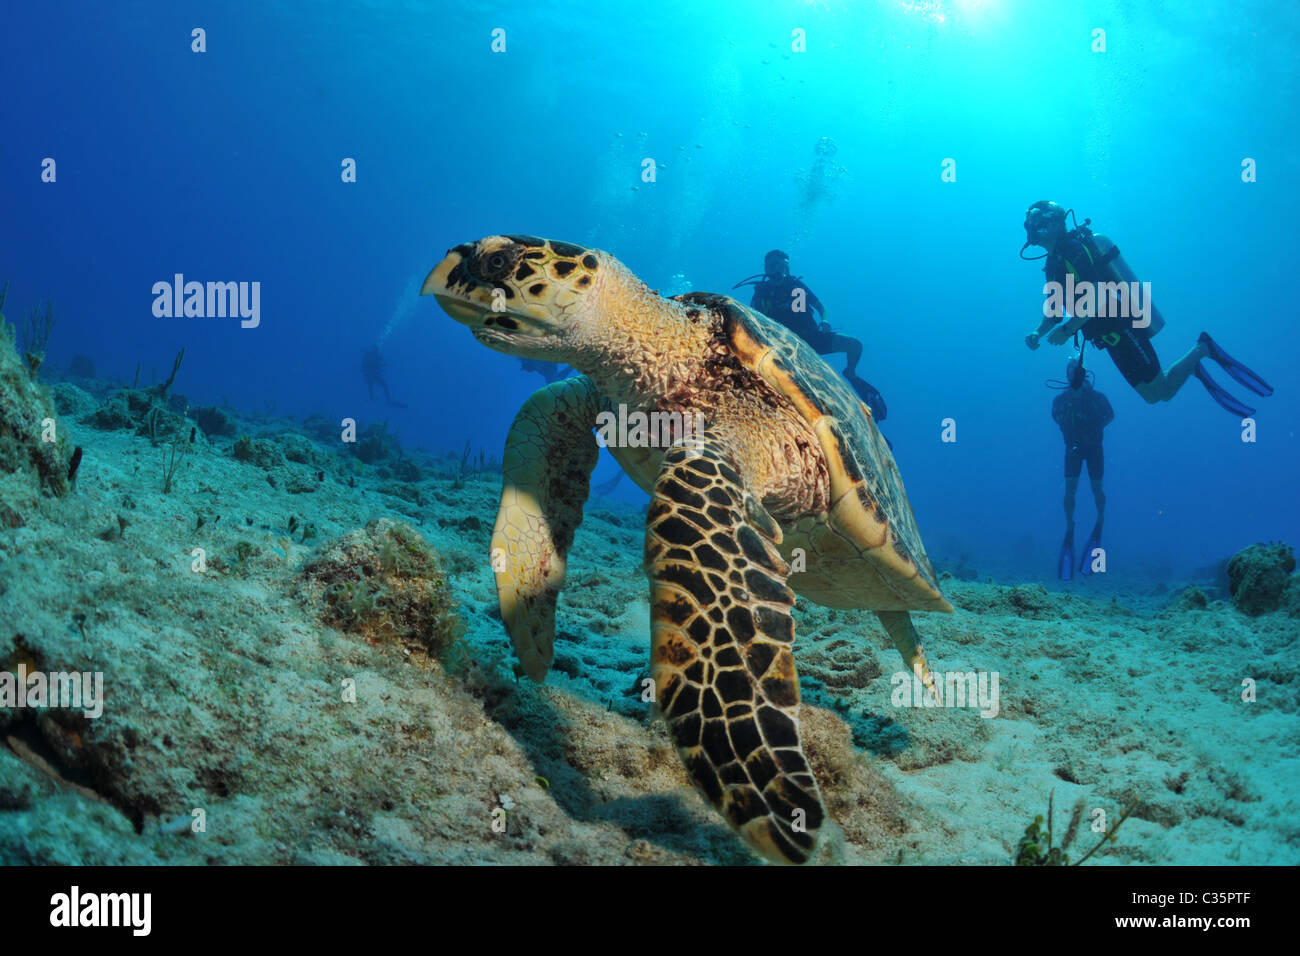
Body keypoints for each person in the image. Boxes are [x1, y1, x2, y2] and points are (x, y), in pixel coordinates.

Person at [1021, 200, 1273, 417]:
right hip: (1108, 338)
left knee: (1161, 391)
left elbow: (1098, 295)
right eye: (1030, 220)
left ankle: (1202, 349)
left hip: (1121, 326)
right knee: (1153, 396)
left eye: (1036, 219)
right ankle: (1192, 365)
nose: (1032, 226)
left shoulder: (1072, 250)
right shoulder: (1053, 265)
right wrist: (1037, 332)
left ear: (1054, 222)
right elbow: (1053, 311)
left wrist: (1067, 330)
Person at [735, 250, 889, 420]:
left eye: (780, 265)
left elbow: (820, 306)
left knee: (854, 345)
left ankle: (851, 373)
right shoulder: (761, 293)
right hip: (780, 346)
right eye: (772, 266)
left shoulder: (796, 287)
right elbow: (754, 322)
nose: (776, 270)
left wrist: (825, 321)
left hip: (810, 339)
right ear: (766, 269)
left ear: (786, 267)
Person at [1051, 357, 1113, 579]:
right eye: (1071, 370)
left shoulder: (1096, 398)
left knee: (1097, 488)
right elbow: (1056, 417)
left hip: (1094, 448)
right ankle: (1070, 524)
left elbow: (1110, 415)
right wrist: (1071, 430)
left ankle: (1100, 519)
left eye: (1078, 371)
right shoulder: (1061, 400)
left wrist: (1094, 428)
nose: (1074, 375)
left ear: (1084, 374)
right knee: (1070, 489)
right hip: (1074, 449)